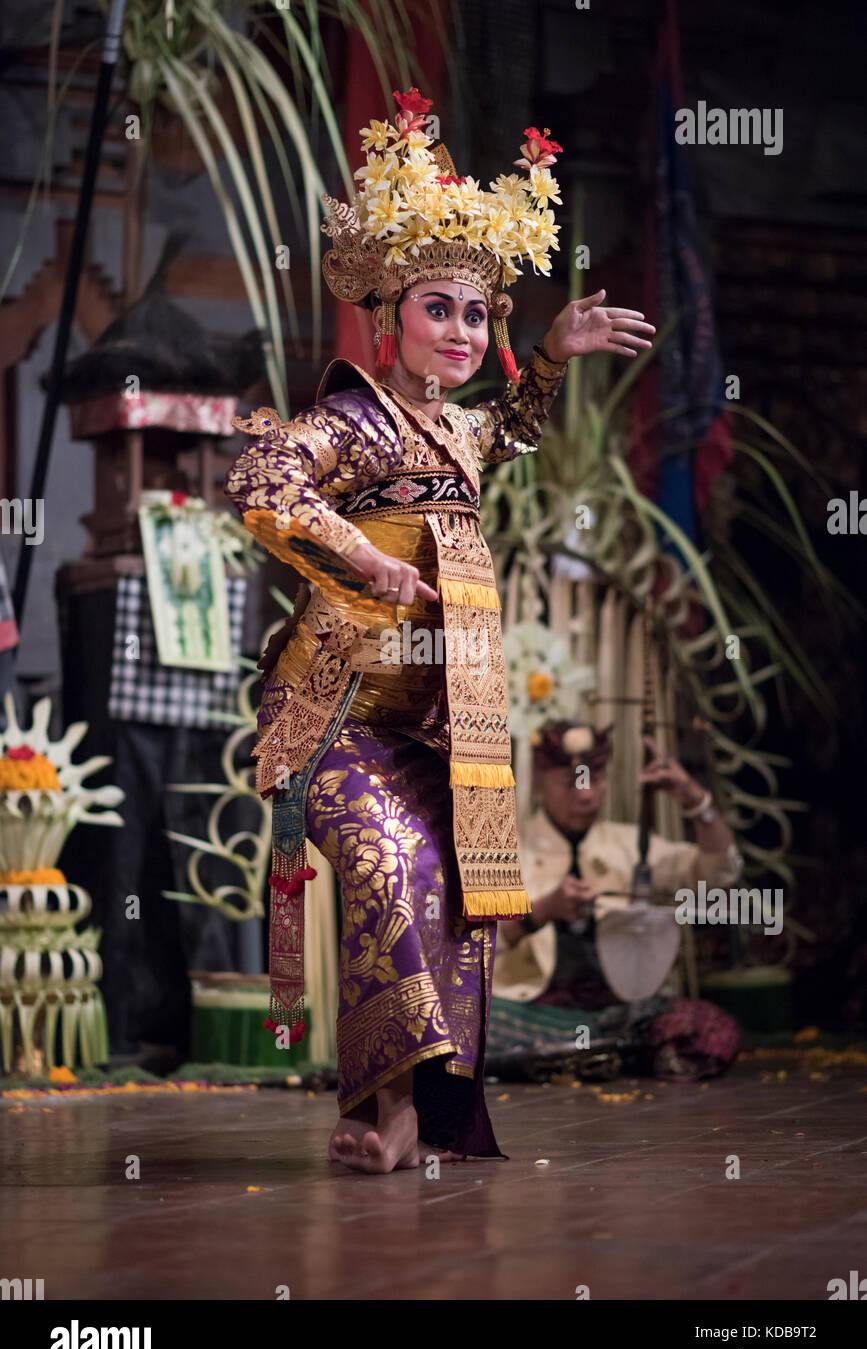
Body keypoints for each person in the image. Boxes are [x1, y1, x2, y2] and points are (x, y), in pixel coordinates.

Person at [224, 91, 654, 1173]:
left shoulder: (459, 423)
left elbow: (506, 431)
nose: (462, 333)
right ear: (389, 311)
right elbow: (262, 475)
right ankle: (386, 1116)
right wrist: (361, 556)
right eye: (439, 309)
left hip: (442, 725)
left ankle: (419, 1114)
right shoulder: (351, 416)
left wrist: (551, 352)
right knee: (381, 864)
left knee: (460, 891)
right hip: (334, 719)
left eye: (478, 314)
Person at [494, 721, 742, 1010]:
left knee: (710, 1027)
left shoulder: (629, 846)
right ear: (539, 781)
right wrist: (540, 913)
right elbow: (470, 948)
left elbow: (719, 873)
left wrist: (696, 802)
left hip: (617, 1007)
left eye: (594, 779)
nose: (586, 794)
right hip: (533, 1006)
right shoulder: (507, 852)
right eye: (571, 780)